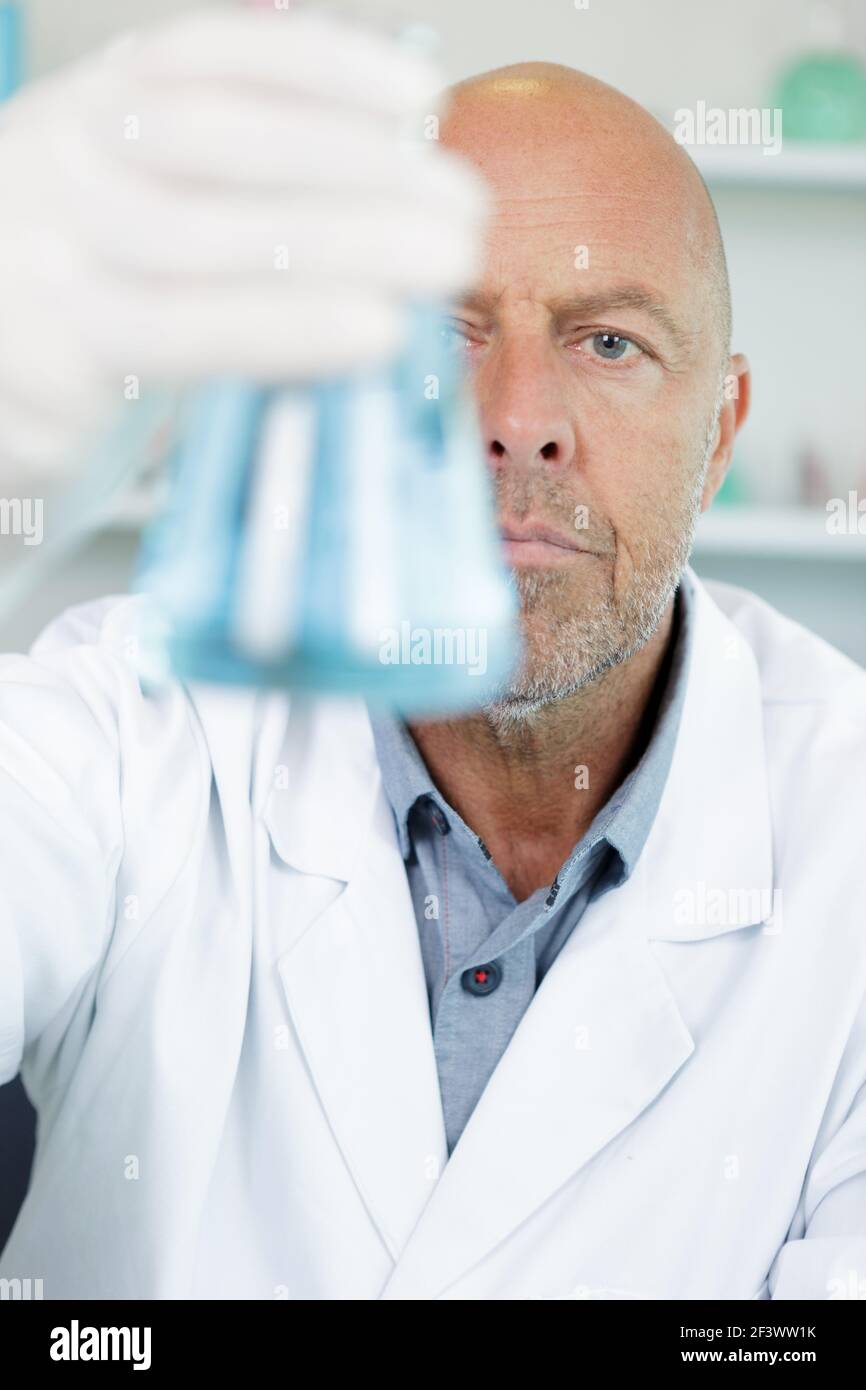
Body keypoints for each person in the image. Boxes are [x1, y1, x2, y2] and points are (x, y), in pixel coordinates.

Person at [0, 7, 864, 1301]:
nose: (516, 423)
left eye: (609, 341)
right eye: (442, 335)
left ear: (721, 428)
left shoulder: (843, 820)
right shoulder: (135, 720)